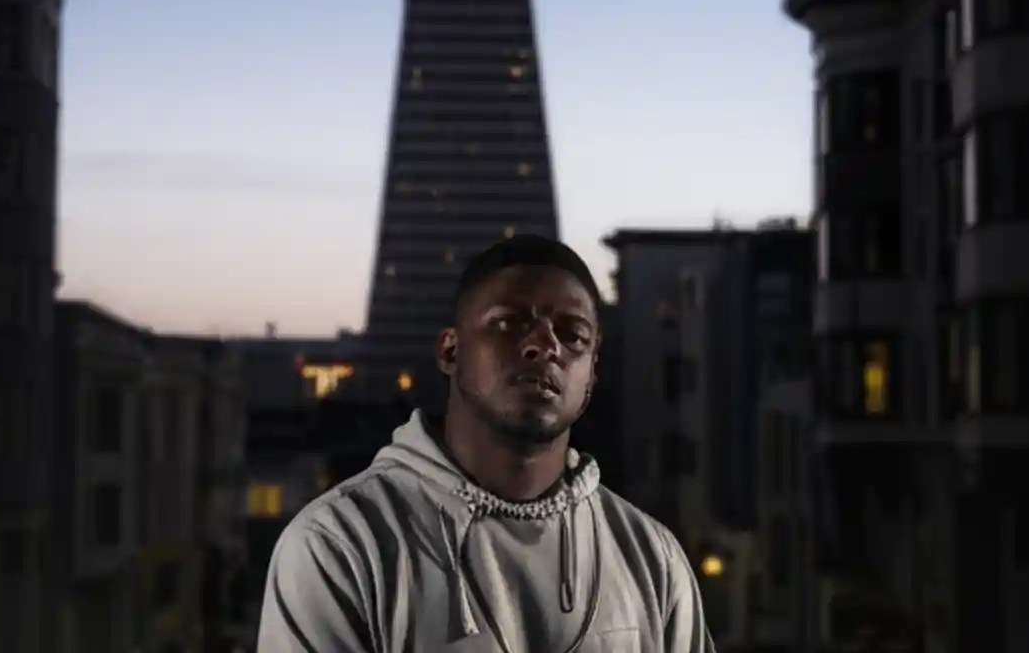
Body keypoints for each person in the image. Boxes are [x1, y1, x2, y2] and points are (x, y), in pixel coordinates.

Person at [258, 235, 713, 652]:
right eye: (509, 323)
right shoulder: (340, 544)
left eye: (573, 334)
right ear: (450, 351)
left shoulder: (653, 558)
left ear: (591, 374)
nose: (545, 345)